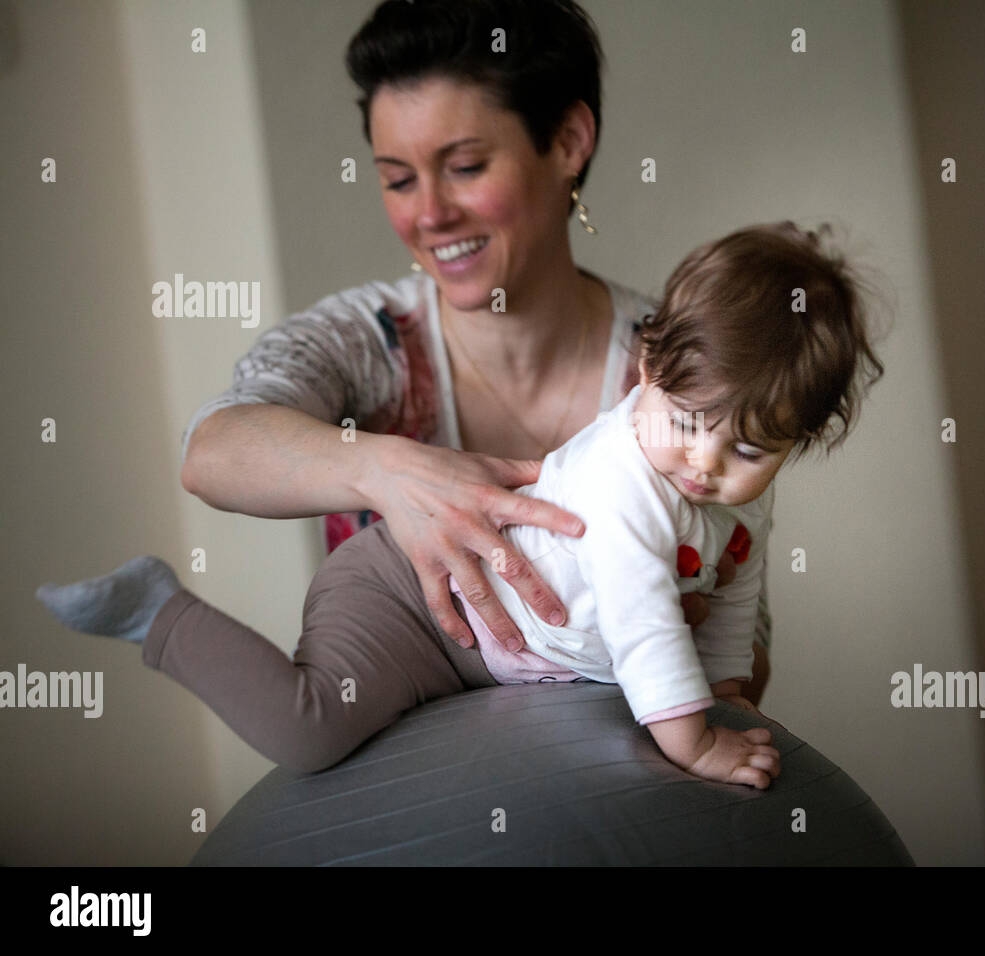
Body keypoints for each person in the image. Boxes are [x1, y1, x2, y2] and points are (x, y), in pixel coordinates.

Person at [35, 222, 887, 789]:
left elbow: (733, 594)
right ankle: (158, 614)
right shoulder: (627, 481)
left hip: (512, 650)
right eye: (688, 424)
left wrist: (731, 687)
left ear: (793, 444)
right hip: (412, 600)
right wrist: (698, 739)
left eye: (748, 451)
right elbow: (646, 623)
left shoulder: (736, 487)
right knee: (314, 731)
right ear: (648, 371)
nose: (705, 465)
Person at [173, 0, 774, 700]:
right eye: (398, 179)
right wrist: (386, 472)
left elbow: (746, 663)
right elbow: (210, 451)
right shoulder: (365, 338)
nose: (428, 215)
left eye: (463, 167)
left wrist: (678, 638)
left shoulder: (682, 368)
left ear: (570, 141)